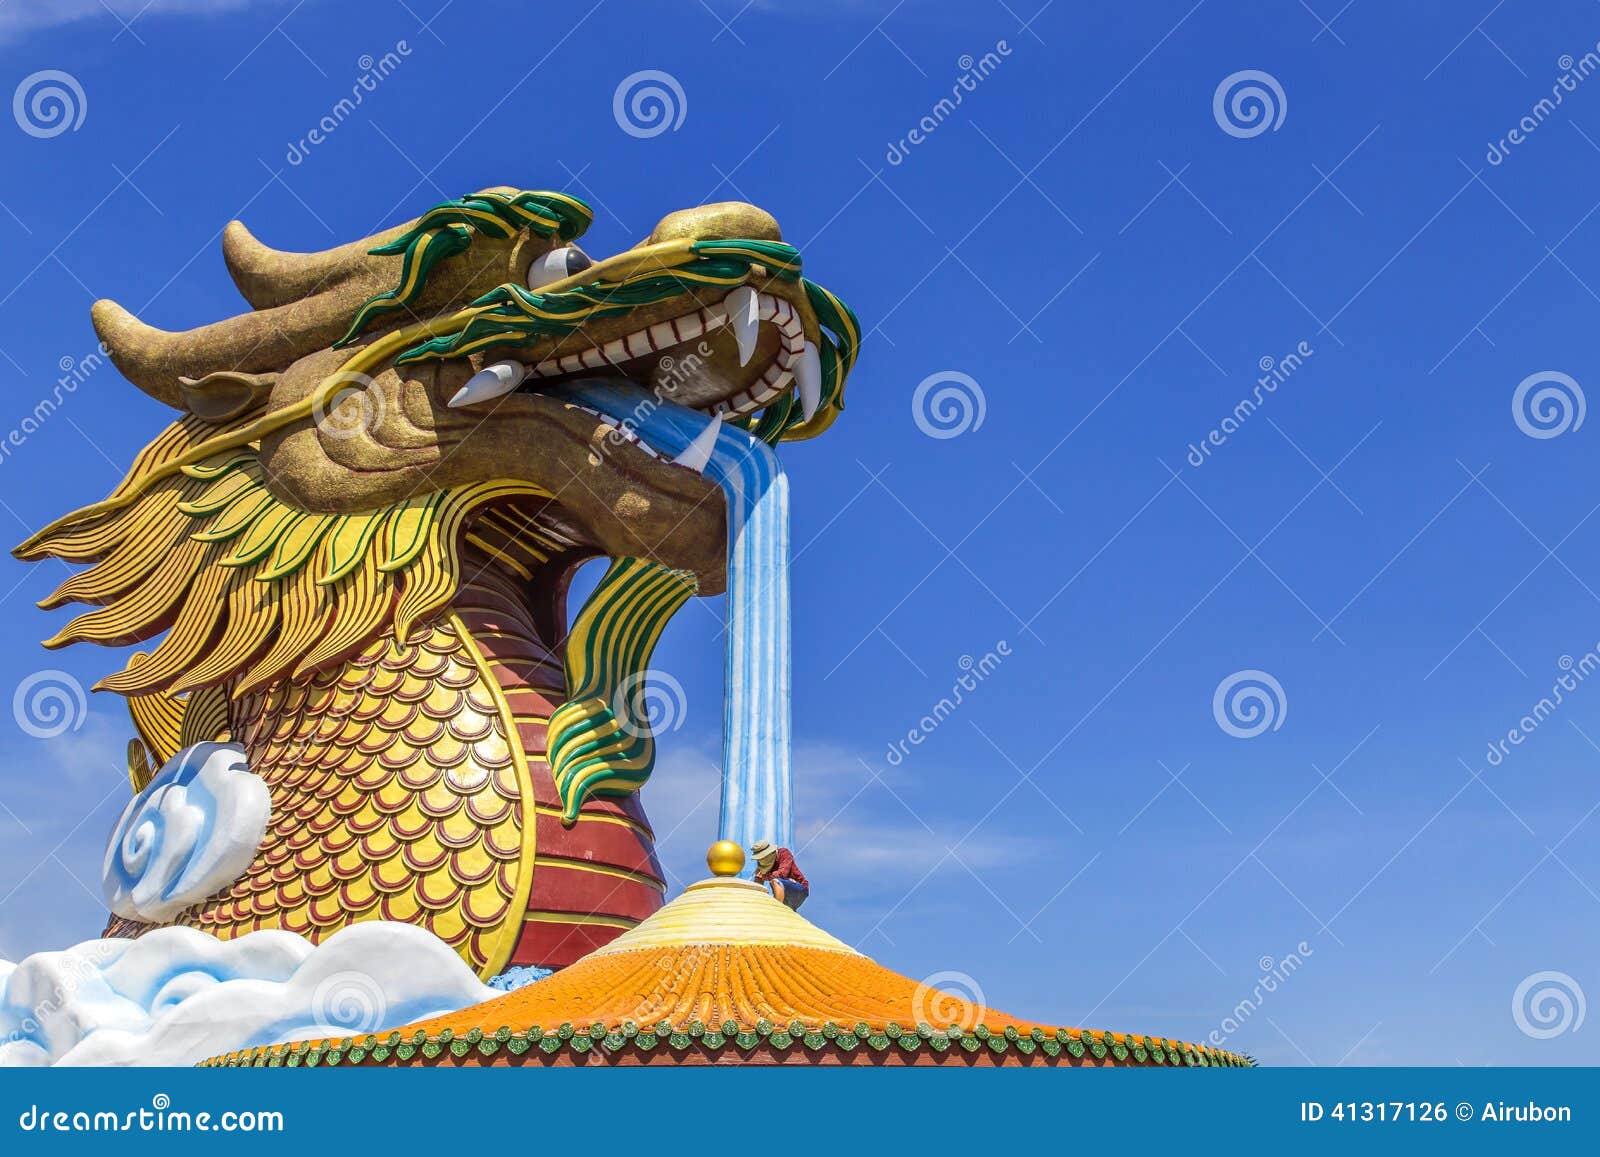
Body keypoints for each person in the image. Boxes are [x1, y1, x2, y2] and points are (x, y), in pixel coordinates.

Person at [750, 840, 809, 910]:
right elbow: (758, 885)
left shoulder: (784, 853)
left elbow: (781, 874)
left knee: (775, 881)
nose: (762, 861)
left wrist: (765, 876)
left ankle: (776, 909)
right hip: (784, 894)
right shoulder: (763, 865)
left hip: (799, 888)